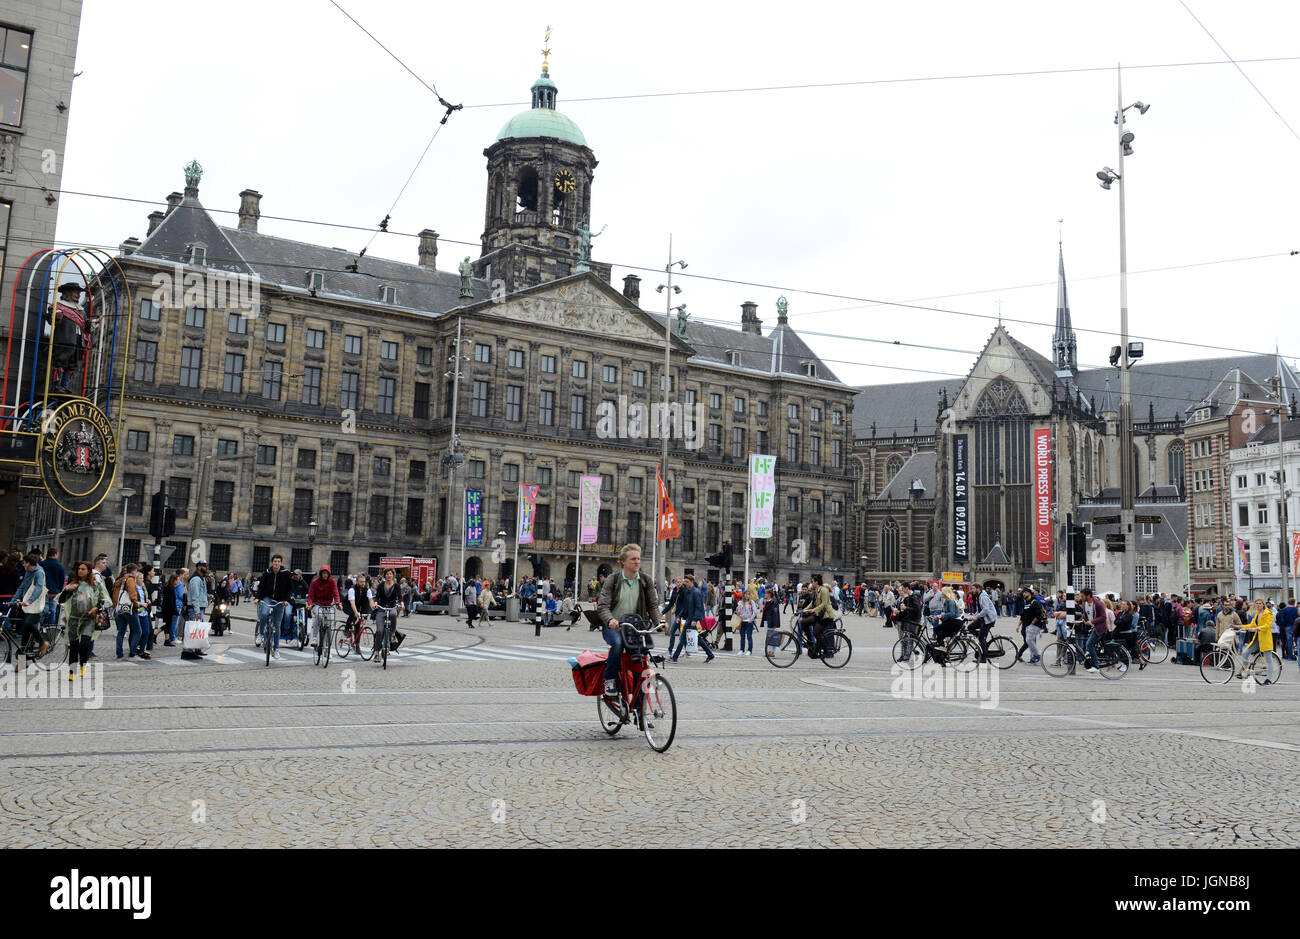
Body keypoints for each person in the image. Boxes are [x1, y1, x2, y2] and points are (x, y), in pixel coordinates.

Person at [596, 544, 662, 697]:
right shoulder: (613, 579)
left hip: (634, 628)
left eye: (638, 559)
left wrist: (659, 622)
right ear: (623, 562)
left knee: (639, 662)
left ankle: (640, 713)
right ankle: (610, 680)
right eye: (633, 559)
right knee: (618, 644)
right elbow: (603, 606)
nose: (637, 562)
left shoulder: (645, 581)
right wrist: (611, 620)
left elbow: (652, 605)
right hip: (614, 626)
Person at [60, 560, 108, 680]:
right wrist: (67, 590)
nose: (80, 571)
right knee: (74, 646)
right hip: (74, 619)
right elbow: (61, 600)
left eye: (83, 569)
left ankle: (83, 664)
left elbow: (105, 600)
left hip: (88, 619)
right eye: (79, 569)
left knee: (85, 644)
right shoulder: (73, 584)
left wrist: (96, 608)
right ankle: (72, 672)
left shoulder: (95, 584)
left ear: (88, 571)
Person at [45, 281, 90, 391]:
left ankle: (65, 386)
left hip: (78, 341)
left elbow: (86, 325)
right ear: (68, 293)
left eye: (79, 292)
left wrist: (94, 323)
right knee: (61, 362)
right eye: (76, 292)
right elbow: (51, 320)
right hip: (64, 339)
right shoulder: (58, 306)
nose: (78, 295)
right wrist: (56, 316)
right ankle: (57, 385)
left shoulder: (81, 310)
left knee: (72, 364)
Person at [670, 574, 714, 664]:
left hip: (692, 619)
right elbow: (684, 607)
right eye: (685, 582)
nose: (685, 583)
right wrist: (679, 616)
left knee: (682, 638)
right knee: (698, 638)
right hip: (689, 618)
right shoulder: (687, 592)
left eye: (687, 582)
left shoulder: (696, 593)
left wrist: (694, 619)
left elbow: (698, 607)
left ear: (692, 582)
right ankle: (710, 654)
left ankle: (675, 657)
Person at [255, 555, 291, 659]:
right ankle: (261, 634)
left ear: (281, 563)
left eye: (278, 561)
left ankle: (276, 649)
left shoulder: (286, 573)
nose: (276, 563)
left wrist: (286, 600)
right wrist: (257, 598)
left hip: (280, 599)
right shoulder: (267, 572)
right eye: (275, 561)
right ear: (272, 562)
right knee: (264, 614)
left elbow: (289, 588)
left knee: (277, 625)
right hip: (268, 597)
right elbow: (261, 587)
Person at [15, 552, 49, 659]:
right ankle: (22, 663)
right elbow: (22, 587)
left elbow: (39, 588)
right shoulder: (28, 571)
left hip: (39, 605)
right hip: (29, 606)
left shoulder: (39, 572)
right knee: (25, 634)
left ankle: (43, 643)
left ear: (29, 563)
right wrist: (13, 600)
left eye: (24, 563)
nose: (23, 565)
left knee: (28, 624)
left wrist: (29, 601)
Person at [1241, 598, 1278, 684]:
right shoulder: (1257, 614)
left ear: (1263, 604)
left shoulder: (1268, 613)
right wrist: (1239, 626)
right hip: (1257, 639)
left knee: (1268, 659)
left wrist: (1257, 628)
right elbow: (1251, 624)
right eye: (1257, 603)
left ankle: (1269, 679)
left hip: (1265, 639)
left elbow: (1267, 625)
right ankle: (1244, 671)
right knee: (1245, 653)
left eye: (1260, 603)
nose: (1258, 605)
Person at [306, 565, 341, 649]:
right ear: (321, 574)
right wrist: (310, 604)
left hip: (328, 605)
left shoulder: (332, 582)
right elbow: (310, 595)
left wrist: (338, 603)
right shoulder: (315, 582)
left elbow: (336, 593)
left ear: (329, 574)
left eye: (326, 573)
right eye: (323, 573)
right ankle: (314, 638)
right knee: (319, 615)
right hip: (317, 604)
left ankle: (328, 646)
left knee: (330, 623)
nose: (325, 575)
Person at [372, 568, 406, 655]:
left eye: (390, 574)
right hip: (381, 609)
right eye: (387, 574)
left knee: (393, 614)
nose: (389, 576)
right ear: (384, 575)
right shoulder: (381, 585)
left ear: (393, 575)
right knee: (379, 631)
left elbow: (400, 597)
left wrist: (402, 604)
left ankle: (392, 634)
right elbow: (377, 596)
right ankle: (376, 653)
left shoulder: (397, 586)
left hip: (392, 607)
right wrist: (375, 603)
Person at [736, 584, 759, 656]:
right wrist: (737, 610)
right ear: (743, 595)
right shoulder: (740, 602)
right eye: (746, 594)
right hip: (742, 621)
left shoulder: (752, 602)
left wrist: (751, 619)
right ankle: (741, 650)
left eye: (748, 594)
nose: (747, 596)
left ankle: (749, 650)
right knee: (742, 636)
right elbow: (738, 612)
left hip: (749, 621)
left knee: (749, 636)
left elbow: (755, 611)